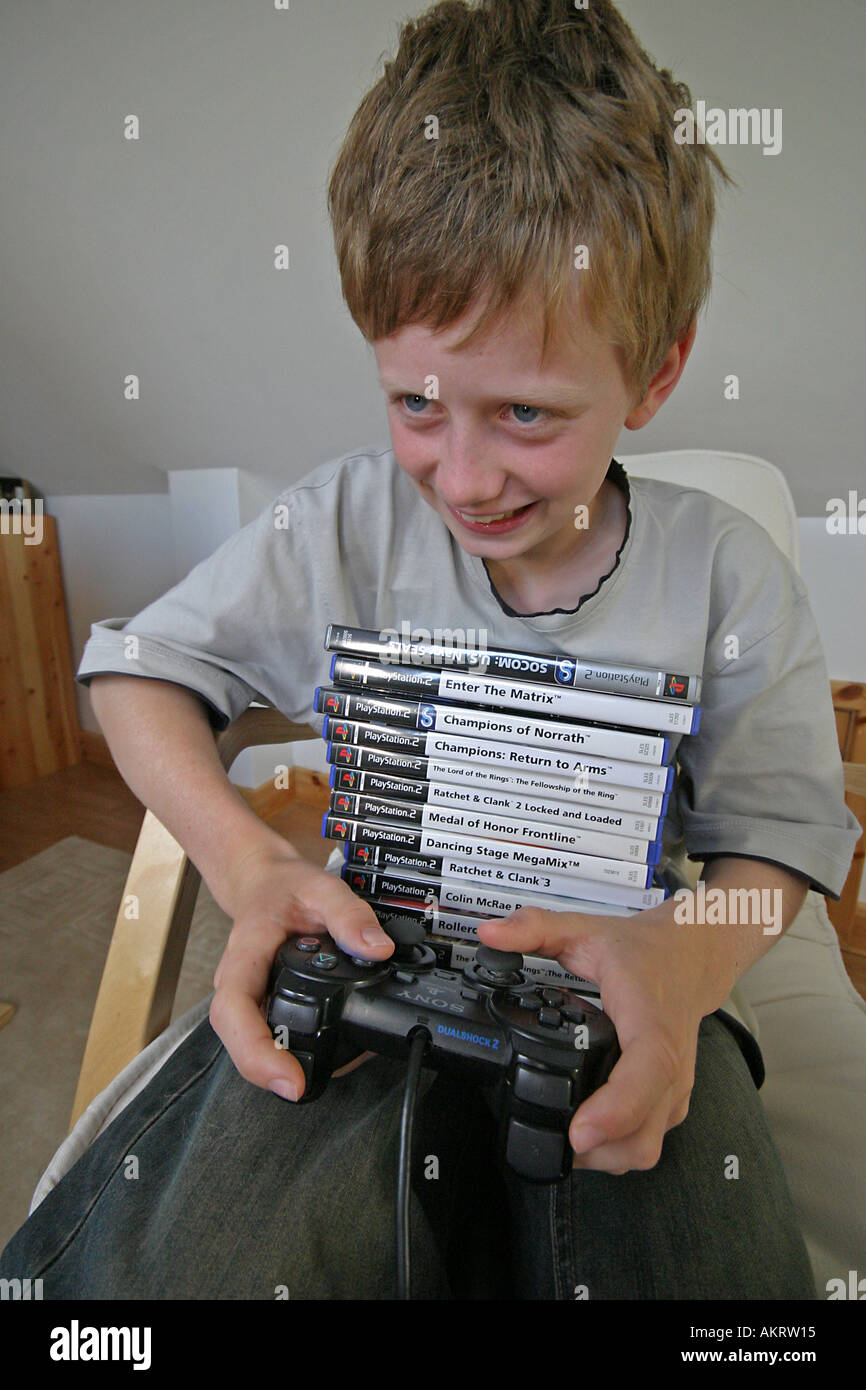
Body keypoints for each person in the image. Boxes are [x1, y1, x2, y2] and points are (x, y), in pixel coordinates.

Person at [1, 0, 858, 1300]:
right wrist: (243, 864)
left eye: (523, 410)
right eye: (414, 401)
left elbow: (779, 849)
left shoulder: (722, 569)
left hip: (617, 990)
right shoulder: (345, 522)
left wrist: (687, 957)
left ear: (655, 367)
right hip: (369, 961)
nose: (459, 476)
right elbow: (134, 675)